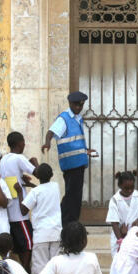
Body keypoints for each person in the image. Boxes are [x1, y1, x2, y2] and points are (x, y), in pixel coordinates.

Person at [42, 91, 96, 225]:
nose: (79, 108)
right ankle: (68, 224)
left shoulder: (78, 118)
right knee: (72, 196)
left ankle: (70, 223)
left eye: (81, 105)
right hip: (70, 164)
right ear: (70, 103)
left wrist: (86, 151)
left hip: (79, 162)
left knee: (75, 196)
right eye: (76, 105)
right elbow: (50, 132)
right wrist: (47, 142)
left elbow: (75, 142)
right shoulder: (64, 118)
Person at [21, 163, 63, 274]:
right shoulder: (56, 187)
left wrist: (21, 191)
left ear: (37, 176)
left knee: (40, 266)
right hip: (56, 232)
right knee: (56, 265)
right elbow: (43, 189)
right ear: (51, 175)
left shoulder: (35, 192)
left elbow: (23, 210)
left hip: (41, 234)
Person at [0, 131, 37, 272]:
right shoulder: (19, 158)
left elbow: (9, 179)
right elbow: (39, 173)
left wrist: (22, 180)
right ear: (20, 143)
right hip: (20, 213)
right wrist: (34, 162)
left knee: (20, 246)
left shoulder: (3, 160)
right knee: (28, 245)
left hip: (9, 211)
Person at [105, 171, 138, 257]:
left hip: (137, 234)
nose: (129, 191)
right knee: (121, 261)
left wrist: (137, 220)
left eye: (132, 188)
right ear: (120, 186)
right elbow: (114, 223)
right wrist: (121, 240)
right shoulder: (114, 200)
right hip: (120, 234)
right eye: (126, 188)